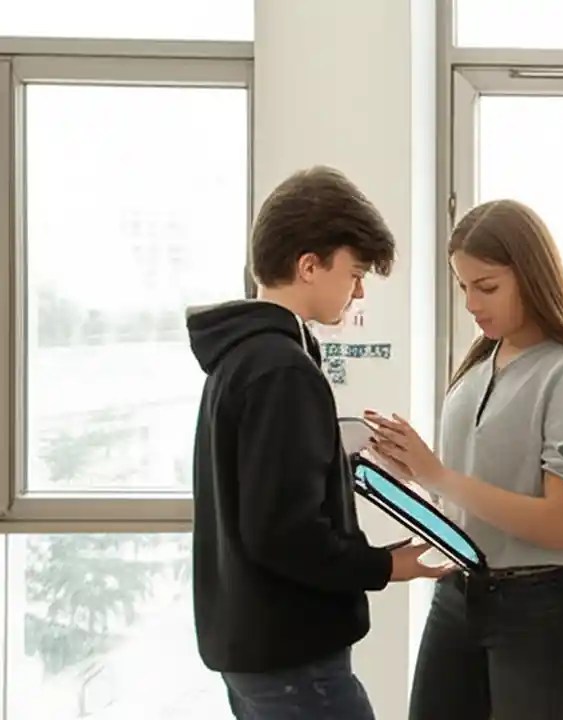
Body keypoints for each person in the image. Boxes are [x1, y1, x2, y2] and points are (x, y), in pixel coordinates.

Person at [186, 166, 446, 720]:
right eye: (354, 273)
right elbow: (284, 533)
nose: (358, 291)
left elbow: (261, 500)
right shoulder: (282, 369)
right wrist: (384, 566)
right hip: (293, 658)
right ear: (309, 265)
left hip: (253, 648)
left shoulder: (239, 359)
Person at [364, 199, 563, 720]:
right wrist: (414, 472)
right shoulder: (478, 365)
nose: (472, 304)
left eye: (487, 286)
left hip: (537, 610)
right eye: (463, 287)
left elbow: (561, 525)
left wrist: (439, 475)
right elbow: (467, 493)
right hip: (457, 594)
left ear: (531, 275)